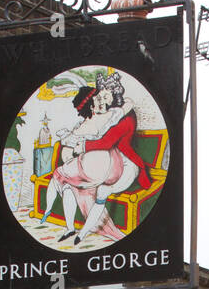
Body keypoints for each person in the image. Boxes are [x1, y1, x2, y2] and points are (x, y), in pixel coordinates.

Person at [41, 72, 151, 246]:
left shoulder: (122, 118)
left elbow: (106, 142)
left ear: (114, 97)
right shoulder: (103, 115)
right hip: (105, 162)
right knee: (70, 186)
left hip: (127, 164)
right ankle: (71, 229)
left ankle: (82, 233)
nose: (101, 100)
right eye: (100, 95)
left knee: (102, 192)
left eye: (106, 96)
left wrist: (81, 147)